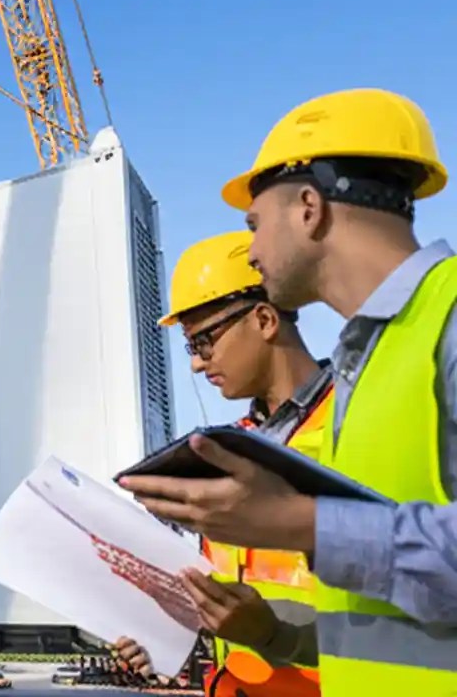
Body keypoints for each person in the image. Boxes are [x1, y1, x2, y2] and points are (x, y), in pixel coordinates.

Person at [120, 87, 457, 694]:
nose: (250, 251)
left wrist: (308, 524)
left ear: (309, 207)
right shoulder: (373, 368)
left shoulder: (446, 319)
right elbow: (395, 636)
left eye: (253, 224)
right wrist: (255, 634)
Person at [113, 231, 328, 697]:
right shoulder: (225, 452)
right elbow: (228, 609)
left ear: (265, 319)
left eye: (203, 341)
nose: (195, 364)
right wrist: (168, 641)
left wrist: (275, 635)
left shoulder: (360, 425)